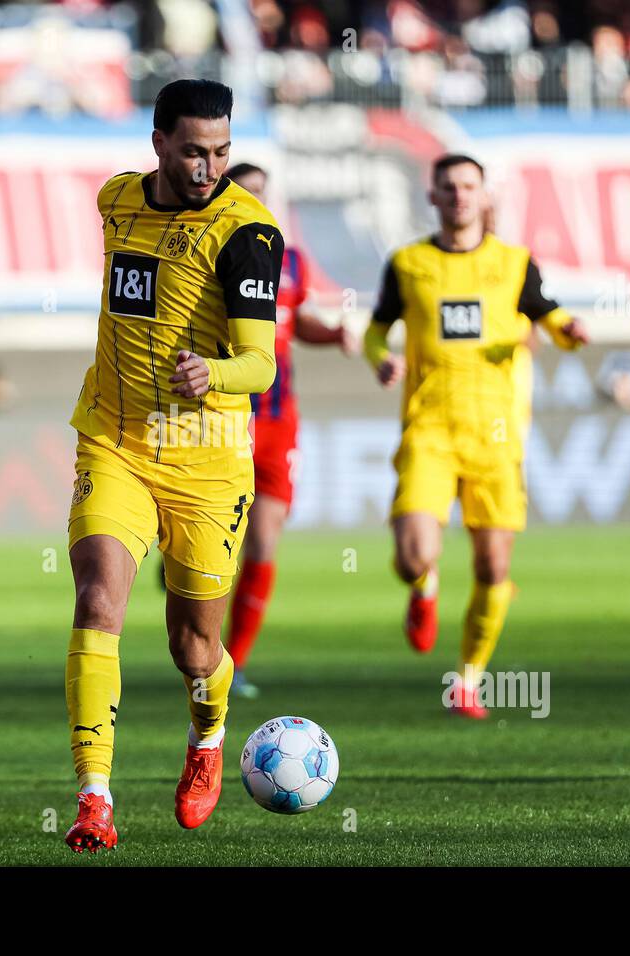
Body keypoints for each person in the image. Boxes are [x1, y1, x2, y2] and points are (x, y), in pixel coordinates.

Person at [62, 79, 283, 851]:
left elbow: (262, 364)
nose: (208, 166)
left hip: (207, 457)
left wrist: (212, 373)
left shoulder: (247, 234)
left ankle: (209, 730)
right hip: (115, 440)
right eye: (193, 150)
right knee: (98, 599)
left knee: (193, 644)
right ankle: (95, 798)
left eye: (221, 151)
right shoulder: (116, 200)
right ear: (157, 141)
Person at [364, 153, 589, 718]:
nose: (460, 195)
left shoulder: (513, 263)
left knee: (493, 569)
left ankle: (467, 679)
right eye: (449, 187)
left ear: (484, 196)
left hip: (495, 438)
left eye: (469, 186)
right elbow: (374, 331)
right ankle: (424, 586)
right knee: (414, 555)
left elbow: (549, 314)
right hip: (429, 431)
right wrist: (380, 360)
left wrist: (570, 331)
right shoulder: (409, 263)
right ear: (433, 198)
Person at [220, 161, 356, 699]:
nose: (255, 199)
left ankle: (236, 662)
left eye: (261, 191)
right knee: (205, 537)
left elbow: (296, 323)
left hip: (279, 421)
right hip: (222, 419)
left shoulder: (289, 260)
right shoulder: (210, 253)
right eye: (244, 191)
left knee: (264, 537)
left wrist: (336, 333)